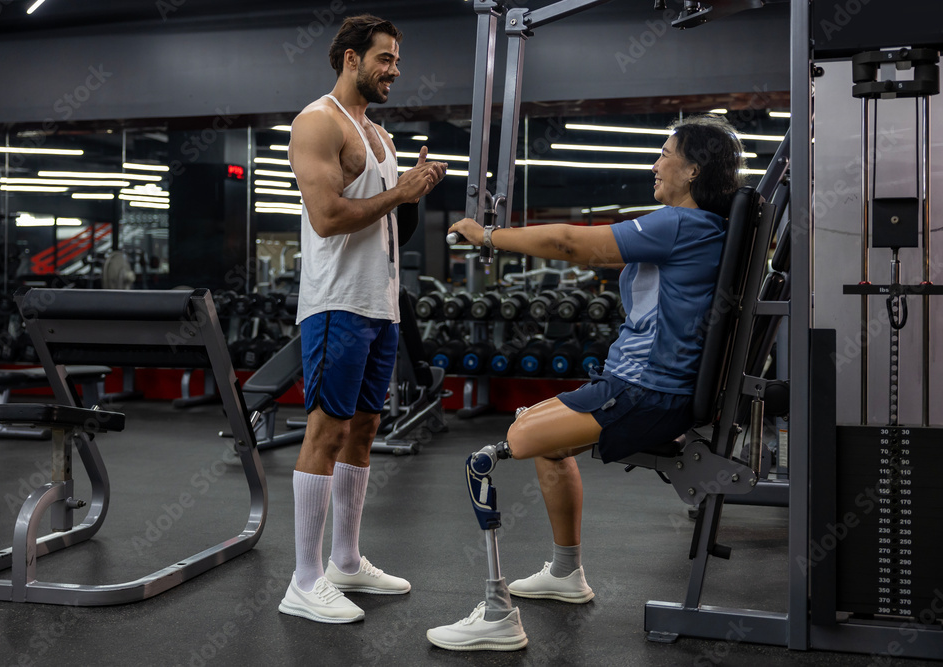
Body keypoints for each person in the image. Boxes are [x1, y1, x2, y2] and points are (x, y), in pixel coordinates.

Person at [426, 114, 745, 650]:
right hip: (640, 383)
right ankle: (566, 572)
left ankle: (498, 615)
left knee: (511, 444)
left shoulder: (681, 225)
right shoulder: (697, 228)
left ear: (693, 170)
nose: (656, 162)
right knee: (544, 441)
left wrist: (489, 235)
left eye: (666, 153)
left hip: (645, 391)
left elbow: (576, 245)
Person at [279, 14, 447, 624]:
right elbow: (326, 218)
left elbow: (381, 219)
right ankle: (304, 579)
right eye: (385, 59)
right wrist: (399, 194)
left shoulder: (378, 133)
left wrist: (411, 188)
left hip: (380, 301)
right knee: (326, 429)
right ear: (352, 59)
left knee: (366, 428)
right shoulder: (317, 122)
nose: (394, 70)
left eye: (396, 59)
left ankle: (346, 561)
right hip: (336, 302)